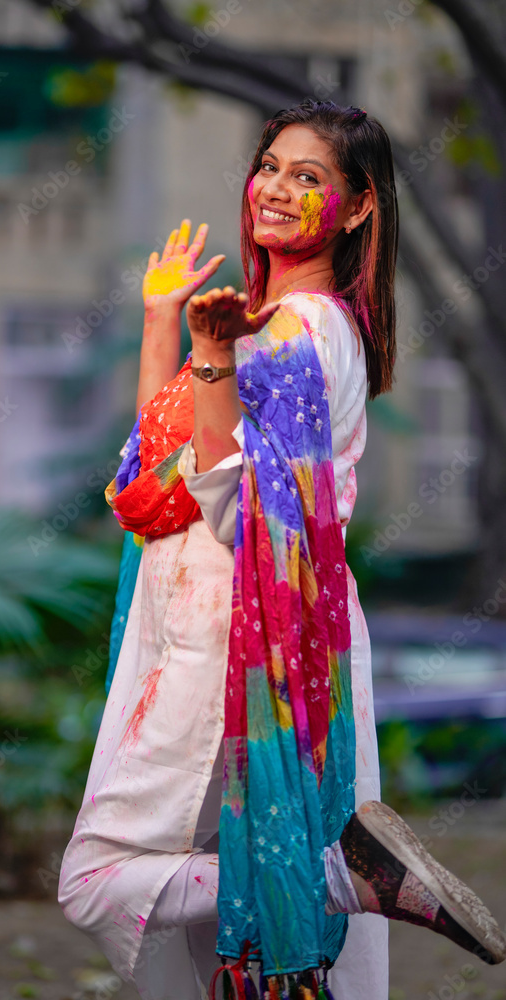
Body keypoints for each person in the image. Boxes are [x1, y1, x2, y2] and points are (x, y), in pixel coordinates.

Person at [58, 101, 505, 1000]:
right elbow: (159, 481)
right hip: (200, 626)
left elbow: (243, 514)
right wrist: (166, 326)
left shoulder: (298, 330)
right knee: (218, 947)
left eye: (310, 178)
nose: (274, 188)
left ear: (357, 208)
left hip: (233, 641)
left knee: (95, 882)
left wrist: (215, 355)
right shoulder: (255, 320)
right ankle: (329, 875)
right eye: (269, 165)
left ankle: (336, 877)